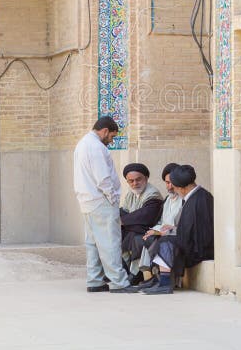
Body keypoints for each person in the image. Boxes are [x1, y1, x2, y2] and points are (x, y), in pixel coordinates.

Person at [73, 116, 138, 294]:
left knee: (93, 243)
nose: (111, 140)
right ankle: (119, 282)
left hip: (87, 202)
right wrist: (113, 198)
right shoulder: (96, 147)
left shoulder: (83, 144)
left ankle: (95, 280)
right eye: (111, 137)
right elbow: (102, 178)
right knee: (110, 243)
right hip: (101, 201)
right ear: (105, 131)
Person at [142, 164, 214, 295]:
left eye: (174, 186)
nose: (173, 189)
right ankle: (160, 279)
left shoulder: (197, 200)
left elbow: (190, 233)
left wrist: (167, 232)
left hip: (200, 249)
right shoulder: (198, 196)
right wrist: (174, 229)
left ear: (181, 187)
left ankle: (164, 283)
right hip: (196, 243)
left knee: (165, 241)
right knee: (163, 238)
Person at [136, 163, 184, 288]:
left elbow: (181, 225)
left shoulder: (184, 200)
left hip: (176, 235)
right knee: (147, 236)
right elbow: (161, 222)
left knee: (160, 240)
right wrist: (154, 230)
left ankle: (163, 280)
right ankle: (154, 276)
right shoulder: (168, 199)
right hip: (164, 232)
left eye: (172, 183)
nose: (170, 186)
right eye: (167, 183)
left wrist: (161, 231)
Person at [120, 163, 163, 284]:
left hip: (151, 229)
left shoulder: (152, 194)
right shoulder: (131, 194)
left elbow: (146, 217)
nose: (135, 183)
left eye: (138, 179)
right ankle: (124, 271)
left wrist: (124, 221)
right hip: (136, 228)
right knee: (117, 232)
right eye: (131, 181)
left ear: (146, 178)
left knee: (135, 236)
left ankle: (135, 273)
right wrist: (124, 220)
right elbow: (124, 212)